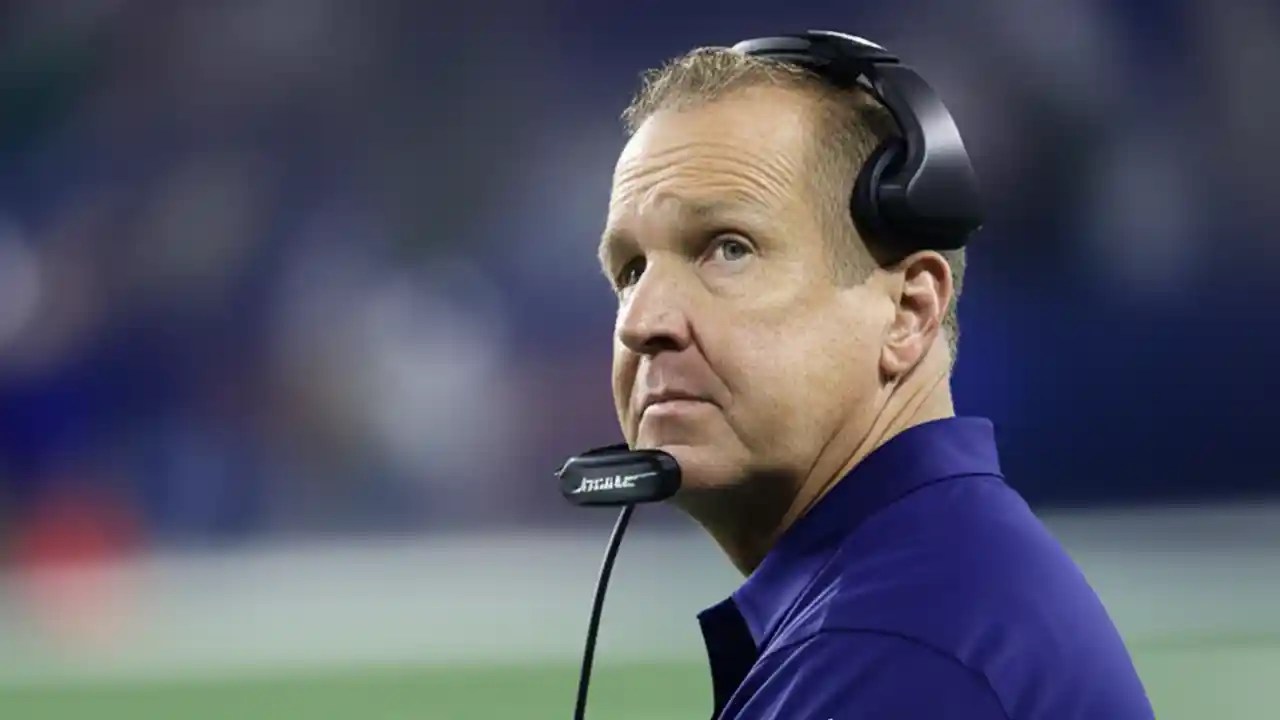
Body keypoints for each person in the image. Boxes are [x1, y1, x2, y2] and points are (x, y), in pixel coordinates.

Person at [598, 41, 1155, 719]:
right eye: (630, 270)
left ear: (908, 312)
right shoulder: (922, 590)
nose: (642, 322)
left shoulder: (897, 650)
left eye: (728, 248)